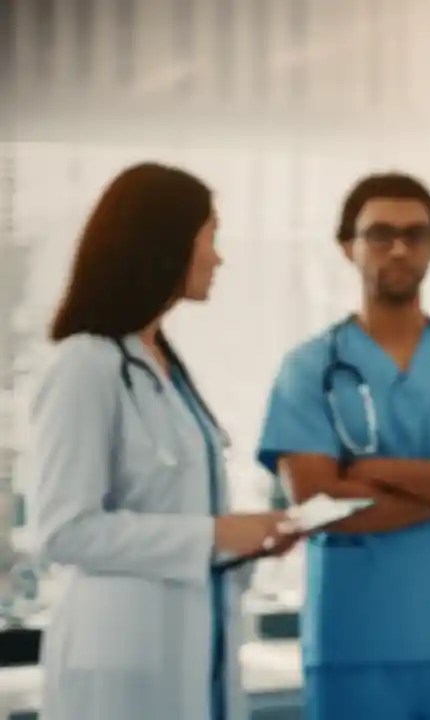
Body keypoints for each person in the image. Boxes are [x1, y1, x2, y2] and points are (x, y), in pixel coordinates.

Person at [256, 172, 430, 720]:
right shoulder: (309, 367)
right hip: (354, 641)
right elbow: (319, 507)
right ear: (349, 247)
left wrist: (376, 471)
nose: (399, 249)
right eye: (380, 234)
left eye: (416, 234)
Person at [28, 163, 298, 720]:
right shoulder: (86, 364)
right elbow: (64, 530)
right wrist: (215, 534)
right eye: (211, 236)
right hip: (120, 660)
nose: (219, 257)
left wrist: (246, 540)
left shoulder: (162, 366)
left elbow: (180, 516)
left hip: (190, 650)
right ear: (166, 243)